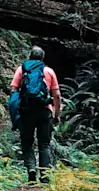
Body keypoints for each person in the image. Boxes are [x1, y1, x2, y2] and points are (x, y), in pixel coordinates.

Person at [9, 46, 62, 184]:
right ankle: (44, 175)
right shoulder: (49, 71)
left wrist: (15, 110)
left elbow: (13, 90)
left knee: (27, 142)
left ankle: (31, 170)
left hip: (26, 111)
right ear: (43, 58)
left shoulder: (22, 69)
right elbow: (57, 95)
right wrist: (56, 115)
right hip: (45, 111)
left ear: (29, 56)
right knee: (44, 144)